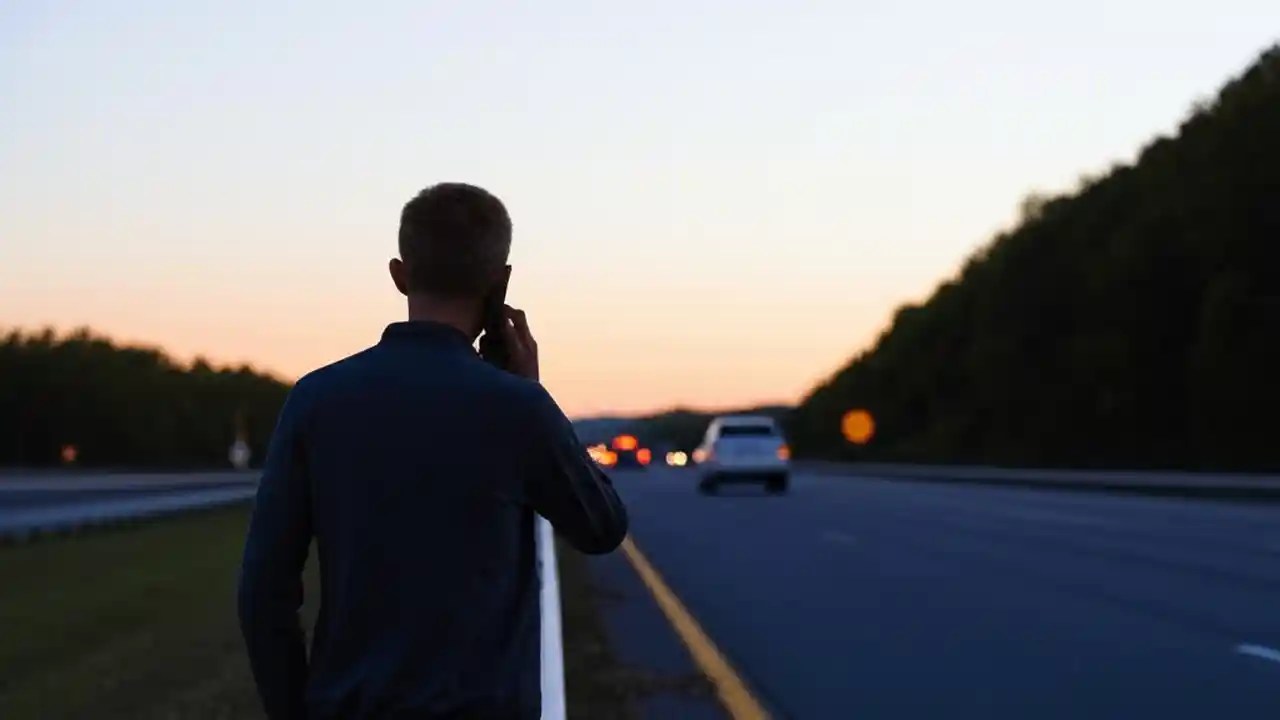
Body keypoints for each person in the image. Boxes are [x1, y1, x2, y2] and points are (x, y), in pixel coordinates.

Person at [237, 183, 629, 720]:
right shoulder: (516, 407)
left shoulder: (316, 399)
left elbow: (264, 587)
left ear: (399, 274)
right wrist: (534, 393)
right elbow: (601, 526)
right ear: (501, 282)